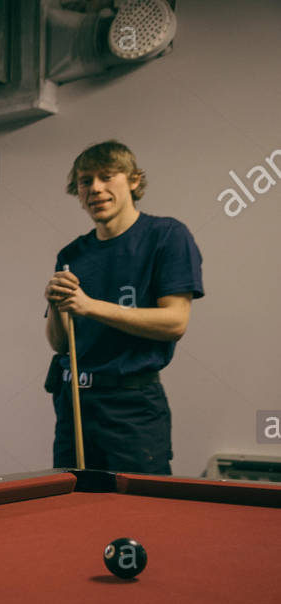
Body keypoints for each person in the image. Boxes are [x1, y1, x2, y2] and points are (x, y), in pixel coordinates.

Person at [43, 140, 203, 474]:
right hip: (74, 401)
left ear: (133, 180)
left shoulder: (167, 236)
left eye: (106, 176)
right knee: (74, 510)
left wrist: (91, 306)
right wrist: (55, 304)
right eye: (86, 181)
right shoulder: (71, 254)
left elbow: (175, 322)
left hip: (132, 405)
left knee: (140, 513)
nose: (95, 188)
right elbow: (60, 344)